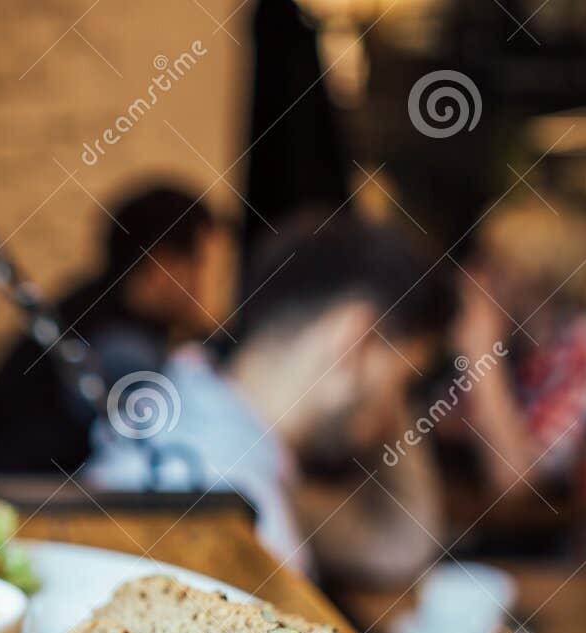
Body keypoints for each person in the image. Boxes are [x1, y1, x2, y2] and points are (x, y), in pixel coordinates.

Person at [88, 211, 456, 586]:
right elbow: (399, 544)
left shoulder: (192, 407)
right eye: (407, 382)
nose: (396, 413)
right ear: (358, 342)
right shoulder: (251, 518)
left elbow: (395, 545)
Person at [0, 182, 232, 474]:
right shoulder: (121, 350)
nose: (209, 287)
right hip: (9, 502)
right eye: (200, 265)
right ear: (161, 266)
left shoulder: (87, 309)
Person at [446, 195, 586, 557]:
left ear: (535, 279)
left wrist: (479, 352)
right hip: (515, 547)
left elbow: (515, 480)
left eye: (492, 264)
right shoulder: (515, 348)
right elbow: (446, 432)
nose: (471, 277)